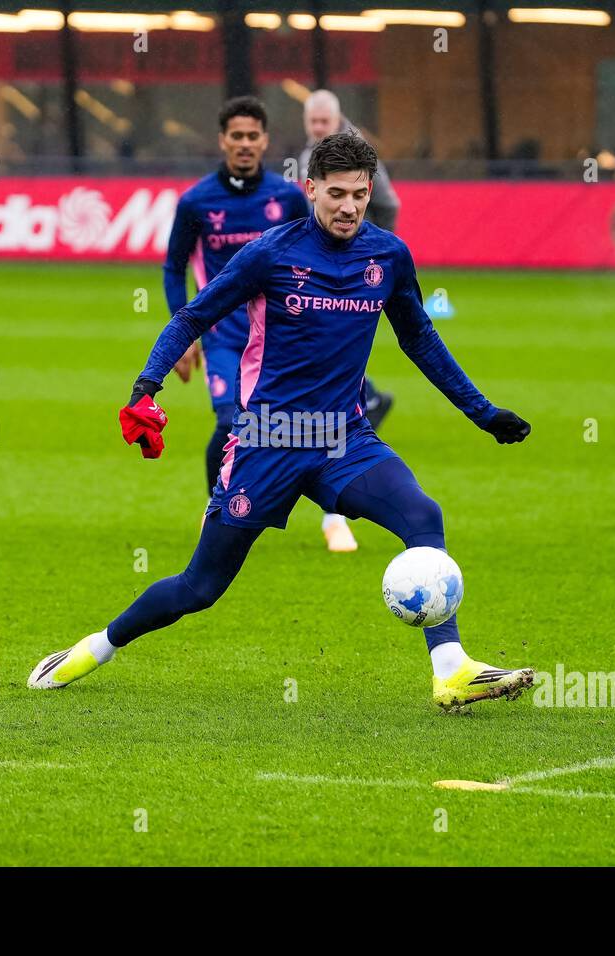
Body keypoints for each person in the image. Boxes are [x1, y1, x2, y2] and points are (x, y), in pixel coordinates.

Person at [30, 132, 534, 712]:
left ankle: (451, 670)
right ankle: (96, 647)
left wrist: (482, 412)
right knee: (200, 589)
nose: (349, 207)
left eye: (360, 195)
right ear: (311, 189)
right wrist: (146, 387)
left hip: (344, 439)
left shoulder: (388, 256)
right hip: (267, 441)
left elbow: (419, 337)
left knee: (424, 515)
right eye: (337, 193)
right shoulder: (271, 253)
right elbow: (194, 315)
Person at [164, 96, 364, 552]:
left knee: (313, 419)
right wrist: (183, 336)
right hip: (224, 334)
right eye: (237, 136)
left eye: (253, 136)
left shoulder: (287, 197)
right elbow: (174, 268)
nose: (245, 144)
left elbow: (319, 252)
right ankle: (218, 512)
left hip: (286, 335)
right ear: (223, 141)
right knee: (230, 420)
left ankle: (334, 517)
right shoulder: (196, 202)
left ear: (265, 140)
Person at [300, 90, 401, 233]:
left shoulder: (359, 153)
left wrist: (379, 245)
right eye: (313, 121)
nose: (318, 128)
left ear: (337, 119)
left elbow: (386, 204)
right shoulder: (308, 153)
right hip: (322, 247)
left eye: (324, 121)